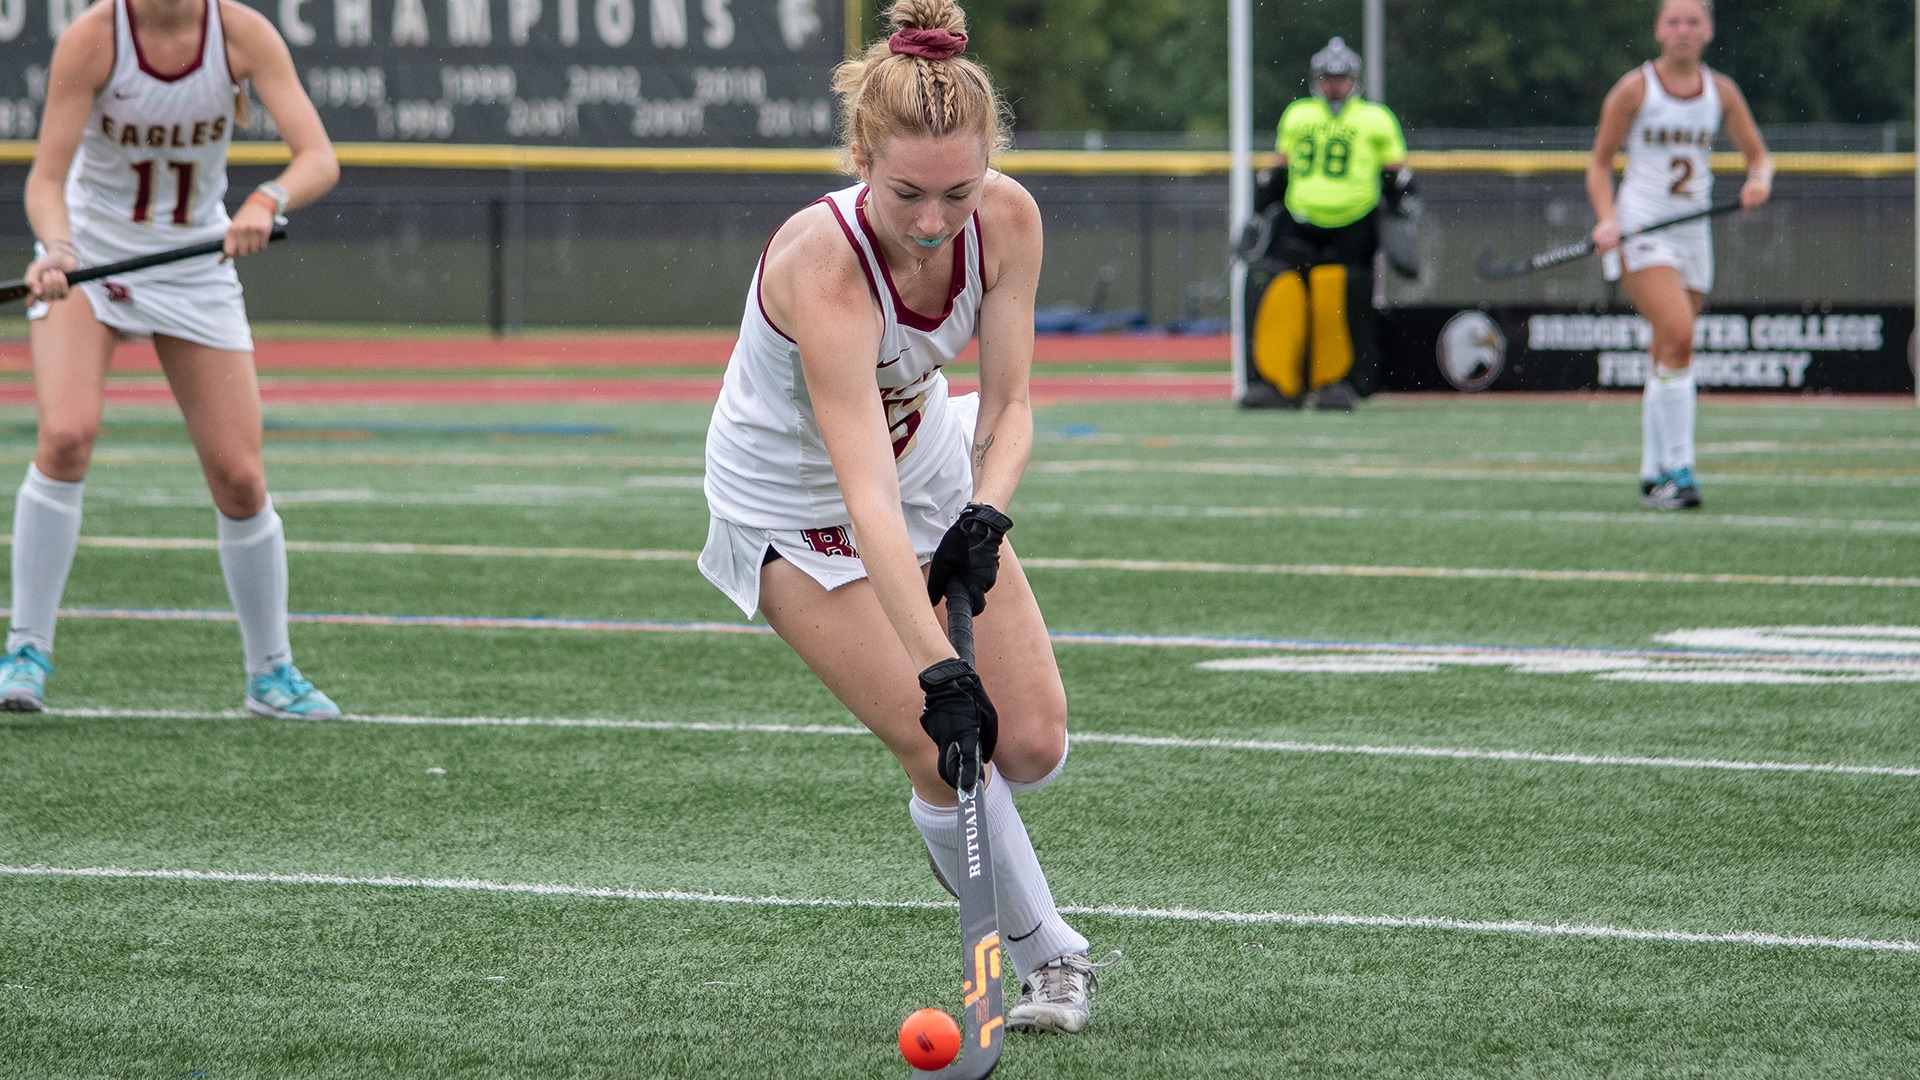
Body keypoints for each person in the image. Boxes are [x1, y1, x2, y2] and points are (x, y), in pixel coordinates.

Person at [699, 0, 1113, 1036]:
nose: (934, 221)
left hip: (925, 460)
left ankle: (967, 805)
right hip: (794, 506)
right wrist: (940, 670)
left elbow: (1010, 405)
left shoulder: (1009, 220)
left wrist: (986, 511)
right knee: (942, 743)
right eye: (908, 194)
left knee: (1034, 747)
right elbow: (861, 497)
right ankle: (1052, 959)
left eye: (958, 193)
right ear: (858, 158)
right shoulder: (823, 267)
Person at [2, 0, 342, 716]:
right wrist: (59, 248)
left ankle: (270, 673)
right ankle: (25, 650)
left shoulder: (242, 34)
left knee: (241, 478)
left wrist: (266, 199)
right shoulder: (95, 37)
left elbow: (319, 158)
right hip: (89, 262)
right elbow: (46, 178)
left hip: (193, 269)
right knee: (66, 437)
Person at [1588, 0, 1770, 510]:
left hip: (1694, 236)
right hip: (1643, 232)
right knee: (1681, 336)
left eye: (1693, 21)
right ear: (1658, 30)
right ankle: (1680, 471)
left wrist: (1758, 181)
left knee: (1667, 352)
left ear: (1708, 30)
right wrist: (1607, 219)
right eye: (1674, 21)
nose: (1683, 31)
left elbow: (1759, 156)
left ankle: (1651, 473)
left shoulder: (1722, 92)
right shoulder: (1634, 89)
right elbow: (1599, 166)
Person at [1240, 36, 1412, 411]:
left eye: (1342, 78)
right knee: (1278, 285)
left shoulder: (1376, 119)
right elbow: (1279, 174)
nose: (1335, 86)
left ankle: (1338, 381)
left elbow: (1397, 180)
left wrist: (1400, 222)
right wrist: (1257, 216)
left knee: (1339, 293)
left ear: (1356, 80)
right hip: (1301, 220)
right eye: (1329, 78)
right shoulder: (1298, 115)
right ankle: (1277, 380)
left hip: (1354, 223)